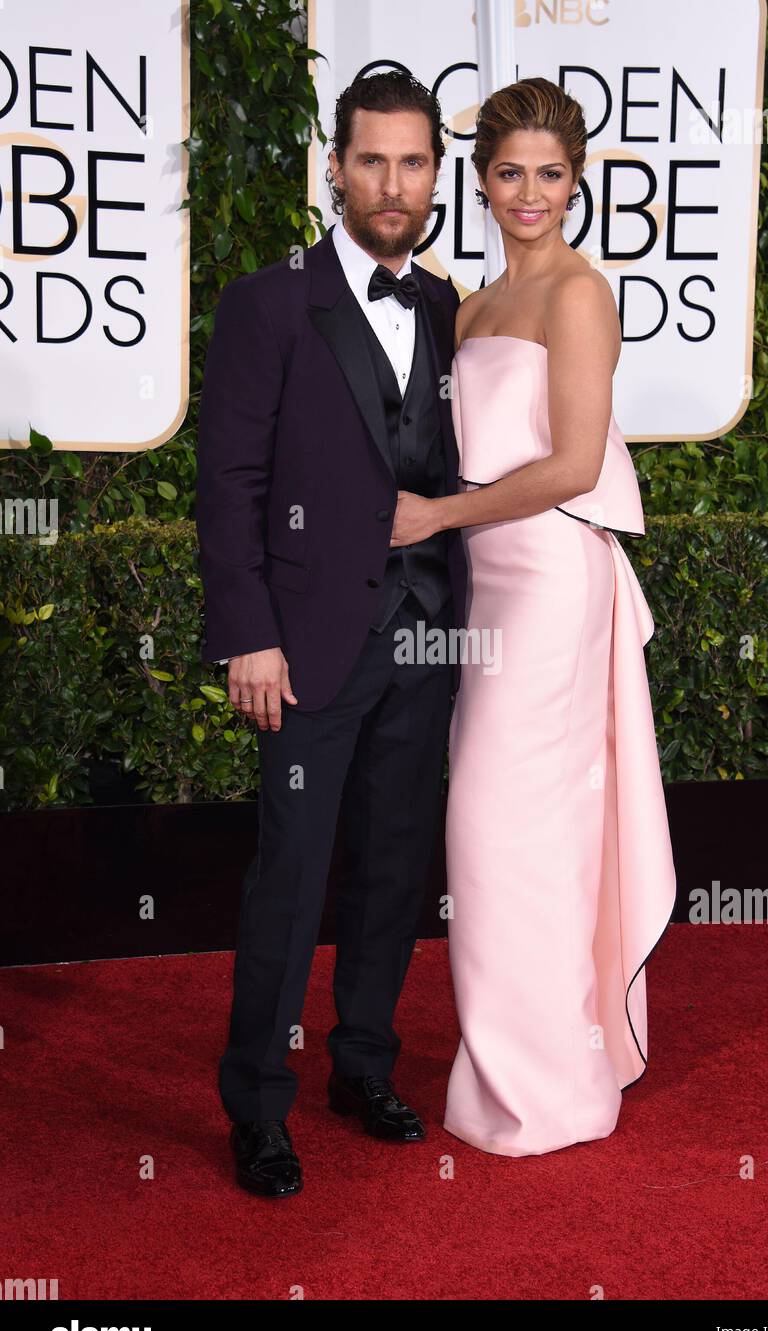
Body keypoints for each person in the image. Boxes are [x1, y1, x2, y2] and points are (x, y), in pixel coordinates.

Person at [390, 77, 677, 1157]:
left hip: (555, 576)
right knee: (494, 836)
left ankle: (552, 1085)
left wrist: (437, 513)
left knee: (512, 828)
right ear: (480, 180)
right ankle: (511, 1067)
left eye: (550, 174)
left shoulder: (578, 295)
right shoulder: (467, 308)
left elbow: (567, 463)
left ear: (577, 181)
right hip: (482, 581)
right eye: (509, 172)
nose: (529, 193)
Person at [196, 71, 466, 1196]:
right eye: (372, 161)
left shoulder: (448, 306)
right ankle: (258, 1102)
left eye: (412, 163)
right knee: (292, 875)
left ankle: (361, 1063)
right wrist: (247, 634)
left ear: (433, 176)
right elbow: (229, 483)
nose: (392, 184)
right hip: (305, 642)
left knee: (396, 868)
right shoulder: (271, 302)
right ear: (336, 168)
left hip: (427, 634)